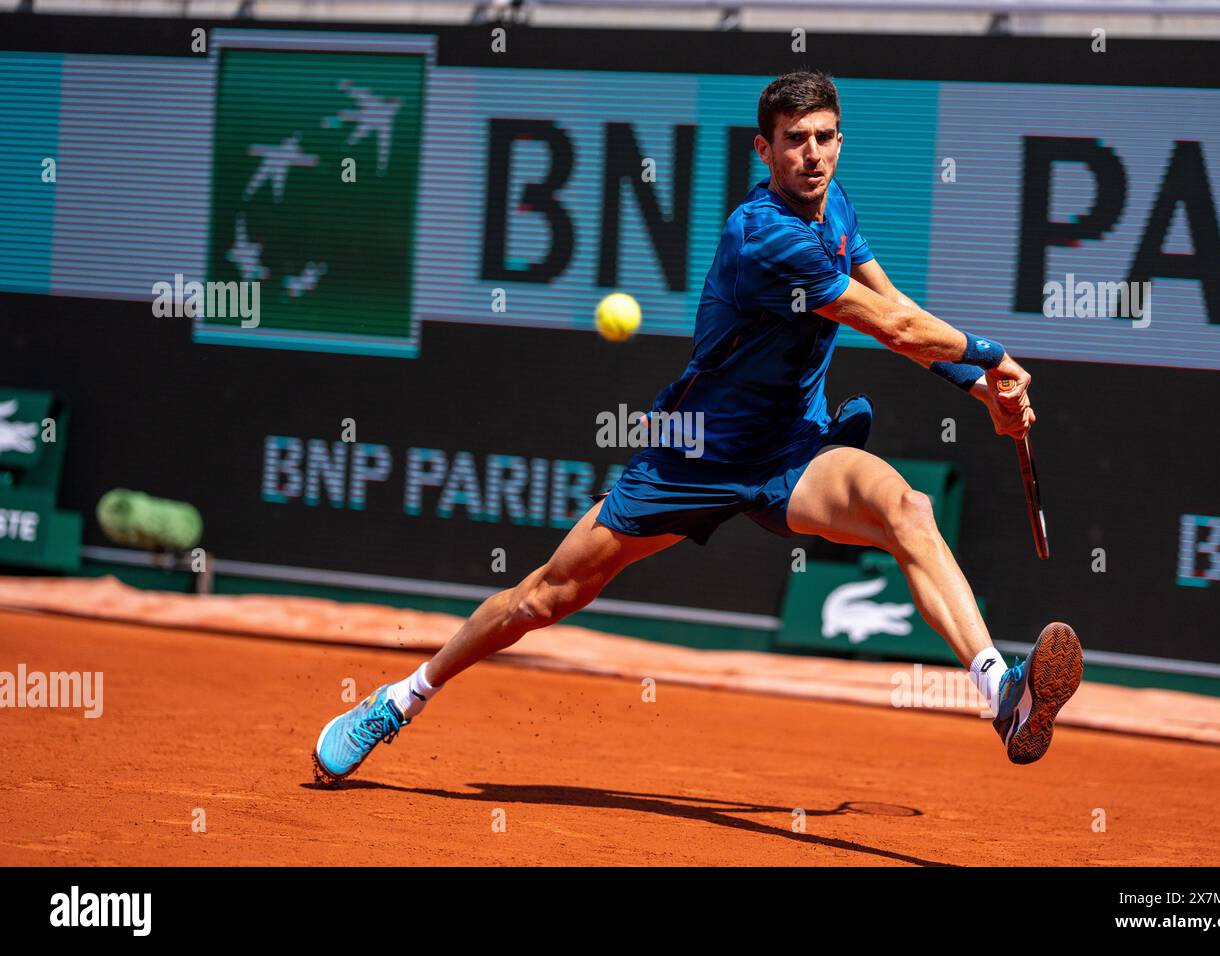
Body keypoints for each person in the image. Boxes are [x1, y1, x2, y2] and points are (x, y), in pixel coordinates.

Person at [313, 70, 1082, 785]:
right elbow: (895, 326)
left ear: (839, 140)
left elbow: (894, 308)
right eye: (794, 140)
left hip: (792, 450)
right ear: (765, 148)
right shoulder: (763, 235)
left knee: (907, 509)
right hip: (693, 457)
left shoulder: (836, 204)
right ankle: (401, 697)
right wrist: (992, 356)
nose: (811, 154)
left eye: (824, 136)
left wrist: (977, 387)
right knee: (544, 597)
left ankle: (1002, 694)